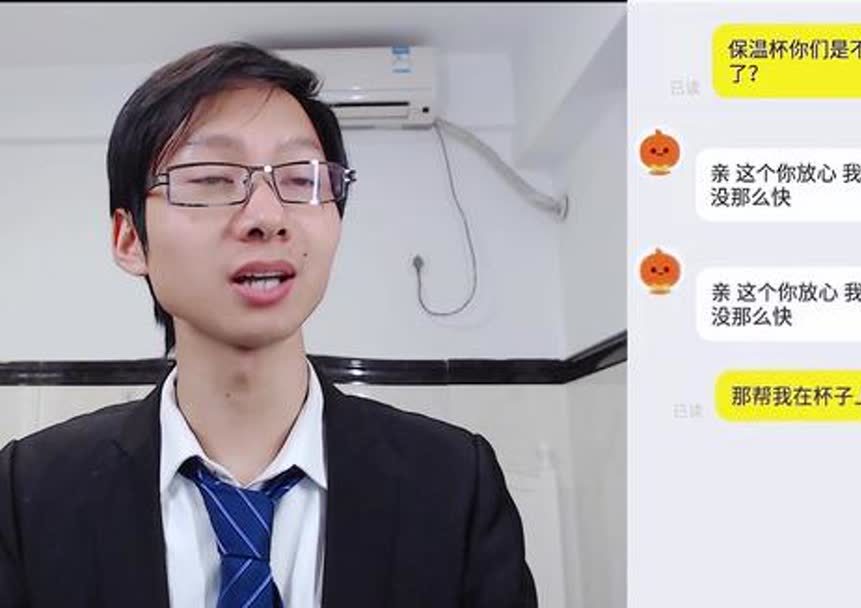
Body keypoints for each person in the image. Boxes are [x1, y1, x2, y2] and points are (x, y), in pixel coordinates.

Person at [0, 42, 537, 608]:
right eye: (210, 178)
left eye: (302, 178)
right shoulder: (29, 492)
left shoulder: (454, 483)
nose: (267, 216)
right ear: (130, 238)